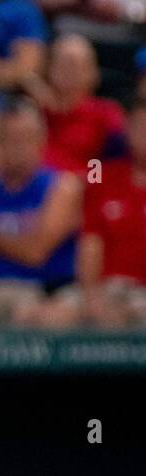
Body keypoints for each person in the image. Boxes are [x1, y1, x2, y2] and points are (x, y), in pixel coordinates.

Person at [0, 97, 81, 326]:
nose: (18, 147)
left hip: (51, 290)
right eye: (10, 139)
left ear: (41, 141)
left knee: (35, 314)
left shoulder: (62, 187)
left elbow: (37, 252)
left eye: (26, 139)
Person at [70, 96, 146, 327]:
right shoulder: (101, 175)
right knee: (47, 315)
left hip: (142, 295)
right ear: (127, 130)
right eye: (139, 126)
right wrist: (92, 296)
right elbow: (90, 242)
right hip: (106, 288)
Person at [39, 33, 125, 174]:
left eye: (75, 64)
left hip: (85, 189)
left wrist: (89, 182)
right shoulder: (34, 112)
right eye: (63, 62)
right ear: (49, 68)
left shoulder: (106, 114)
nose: (69, 71)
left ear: (93, 73)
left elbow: (114, 166)